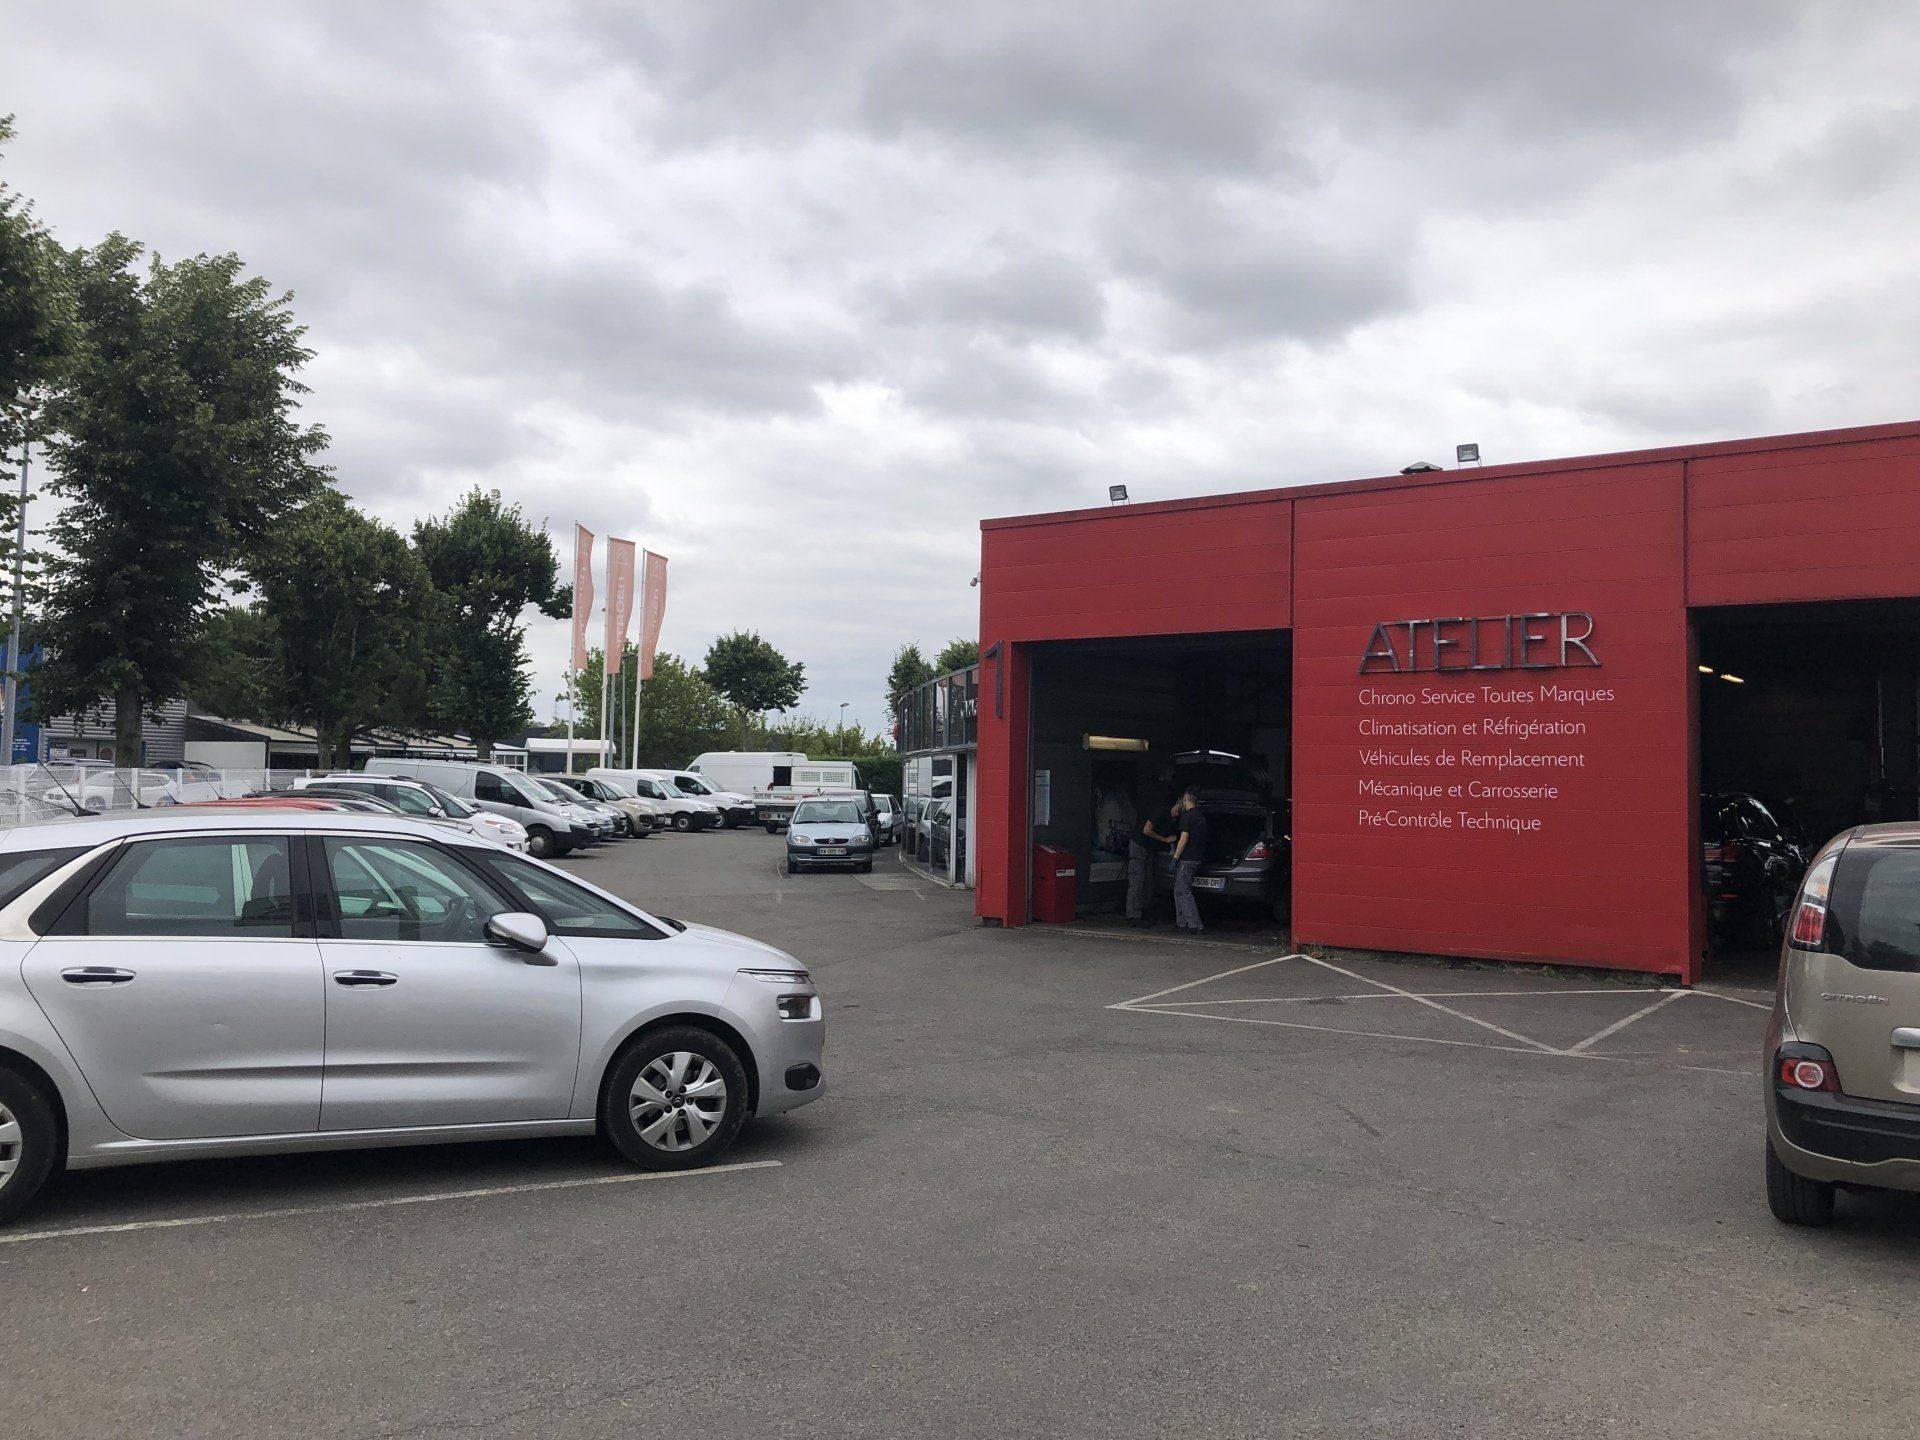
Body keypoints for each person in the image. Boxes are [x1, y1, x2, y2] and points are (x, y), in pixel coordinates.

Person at [1125, 794, 1179, 927]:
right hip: (1140, 845)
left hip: (1149, 849)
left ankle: (1142, 912)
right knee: (1137, 880)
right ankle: (1133, 916)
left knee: (1148, 881)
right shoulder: (1161, 812)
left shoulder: (1174, 820)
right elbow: (1146, 830)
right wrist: (1165, 839)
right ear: (1177, 802)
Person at [1171, 787, 1210, 936]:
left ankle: (1194, 924)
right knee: (1178, 890)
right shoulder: (1201, 816)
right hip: (1197, 858)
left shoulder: (1187, 817)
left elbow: (1183, 838)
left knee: (1184, 891)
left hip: (1186, 859)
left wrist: (1175, 858)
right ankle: (1182, 922)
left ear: (1186, 798)